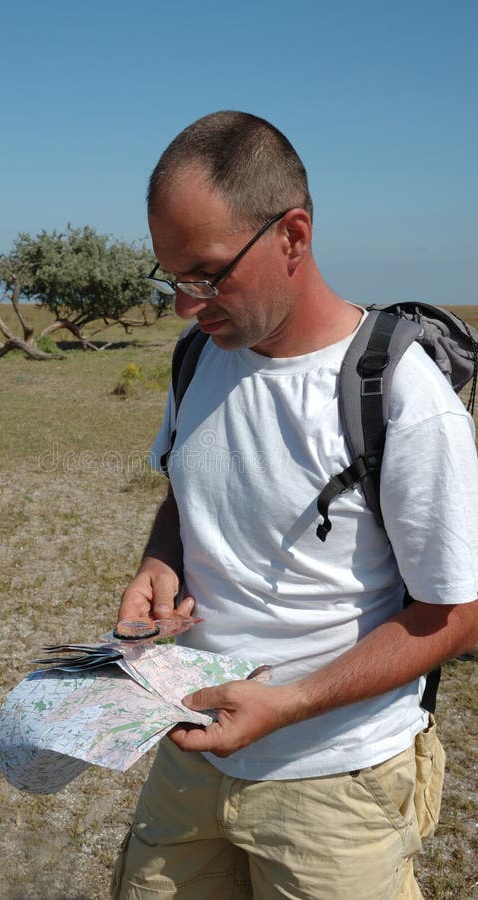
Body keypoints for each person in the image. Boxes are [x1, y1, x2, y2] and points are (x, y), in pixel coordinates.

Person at [111, 111, 478, 900]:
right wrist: (159, 558)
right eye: (170, 276)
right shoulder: (198, 358)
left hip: (335, 787)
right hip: (189, 760)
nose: (184, 304)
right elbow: (184, 486)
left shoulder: (405, 399)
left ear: (293, 236)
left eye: (207, 274)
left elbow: (452, 617)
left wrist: (289, 705)